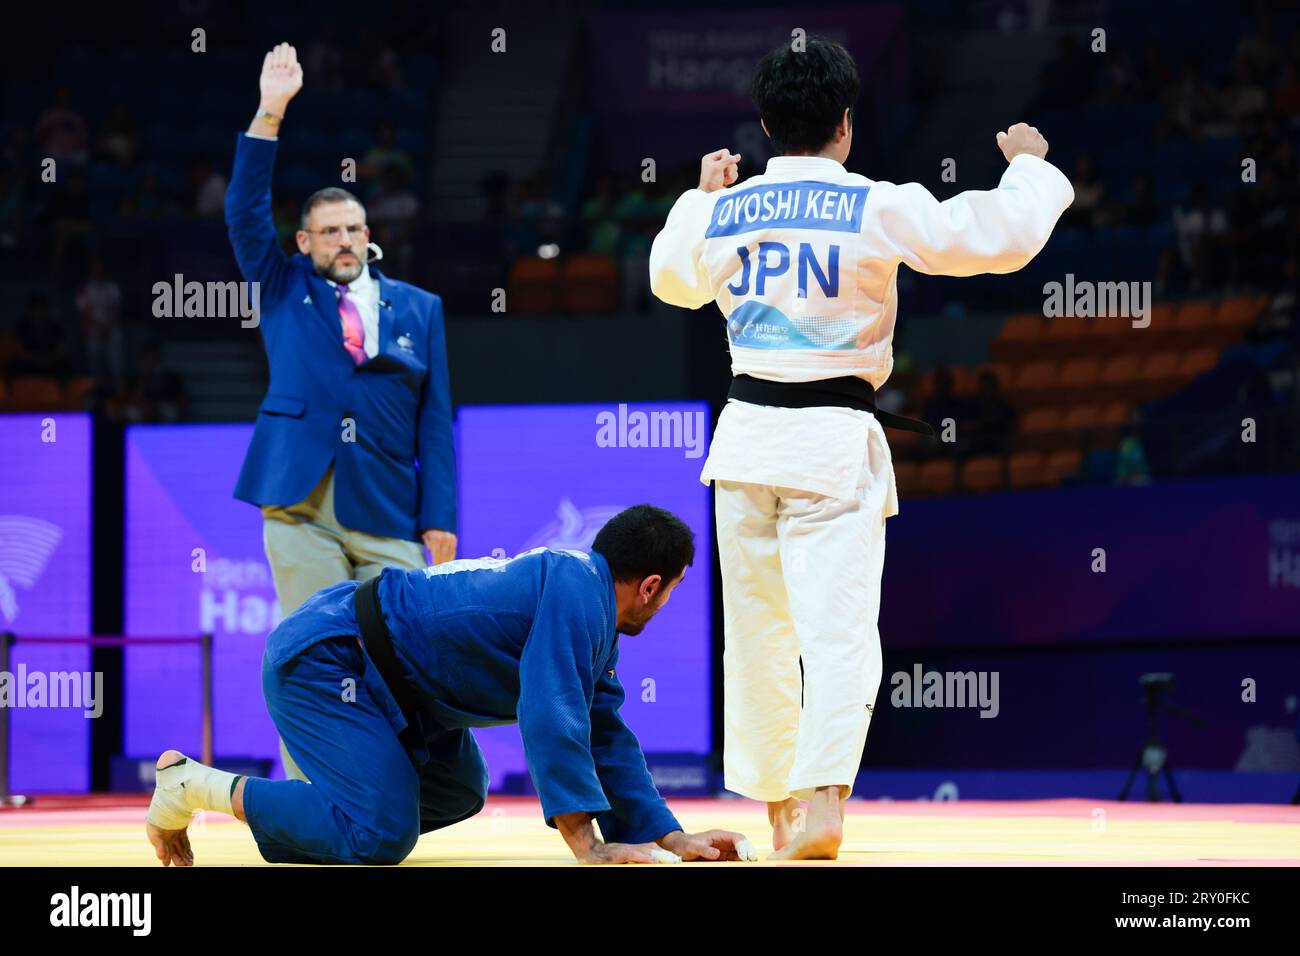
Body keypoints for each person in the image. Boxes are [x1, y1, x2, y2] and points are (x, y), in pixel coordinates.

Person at [649, 37, 1073, 859]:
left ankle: (776, 803)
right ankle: (822, 801)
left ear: (767, 124)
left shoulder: (728, 210)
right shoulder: (875, 203)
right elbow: (993, 239)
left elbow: (673, 279)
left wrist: (698, 200)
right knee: (835, 631)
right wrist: (1026, 166)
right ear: (845, 124)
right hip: (831, 444)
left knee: (759, 632)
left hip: (744, 443)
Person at [144, 505, 755, 866]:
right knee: (382, 832)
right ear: (651, 584)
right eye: (672, 591)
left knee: (460, 789)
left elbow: (604, 735)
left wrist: (671, 839)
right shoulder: (577, 592)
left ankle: (328, 822)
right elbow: (552, 716)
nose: (667, 603)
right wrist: (587, 847)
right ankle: (191, 785)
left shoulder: (584, 598)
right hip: (331, 659)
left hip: (398, 690)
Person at [226, 45, 459, 778]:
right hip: (300, 500)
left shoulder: (420, 309)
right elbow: (242, 211)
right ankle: (311, 800)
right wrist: (272, 109)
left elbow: (436, 420)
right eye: (329, 232)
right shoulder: (282, 286)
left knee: (407, 649)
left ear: (371, 235)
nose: (344, 241)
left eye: (354, 229)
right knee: (311, 647)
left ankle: (405, 786)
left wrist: (440, 513)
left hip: (388, 504)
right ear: (305, 244)